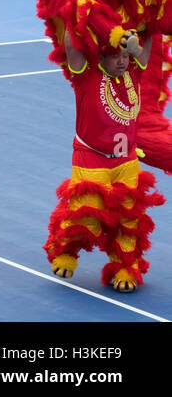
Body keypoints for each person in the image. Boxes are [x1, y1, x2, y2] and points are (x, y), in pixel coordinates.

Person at [45, 30, 159, 293]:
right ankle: (65, 251)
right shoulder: (86, 76)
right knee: (87, 215)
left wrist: (144, 25)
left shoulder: (134, 71)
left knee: (129, 220)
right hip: (91, 158)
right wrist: (78, 13)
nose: (122, 61)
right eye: (114, 57)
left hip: (127, 161)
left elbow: (150, 33)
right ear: (100, 58)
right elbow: (72, 48)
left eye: (124, 56)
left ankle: (125, 267)